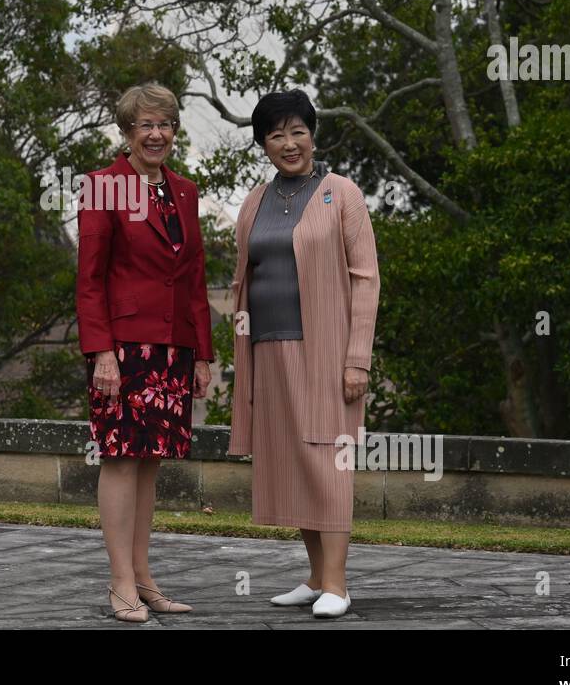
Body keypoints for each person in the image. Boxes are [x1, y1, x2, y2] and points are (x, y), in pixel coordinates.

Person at [227, 89, 380, 618]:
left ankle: (338, 583)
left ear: (313, 134)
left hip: (326, 352)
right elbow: (246, 278)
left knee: (326, 460)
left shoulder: (342, 193)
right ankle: (316, 578)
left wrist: (357, 357)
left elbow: (366, 280)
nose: (289, 143)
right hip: (267, 350)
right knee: (294, 460)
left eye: (298, 131)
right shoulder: (255, 201)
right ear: (263, 144)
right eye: (275, 134)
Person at [75, 83, 213, 623]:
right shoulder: (103, 188)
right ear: (127, 132)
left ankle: (144, 578)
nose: (156, 134)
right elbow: (90, 281)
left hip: (173, 347)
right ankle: (120, 584)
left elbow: (196, 277)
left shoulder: (185, 190)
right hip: (124, 349)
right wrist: (101, 353)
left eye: (166, 125)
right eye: (145, 126)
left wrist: (202, 352)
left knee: (151, 462)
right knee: (120, 458)